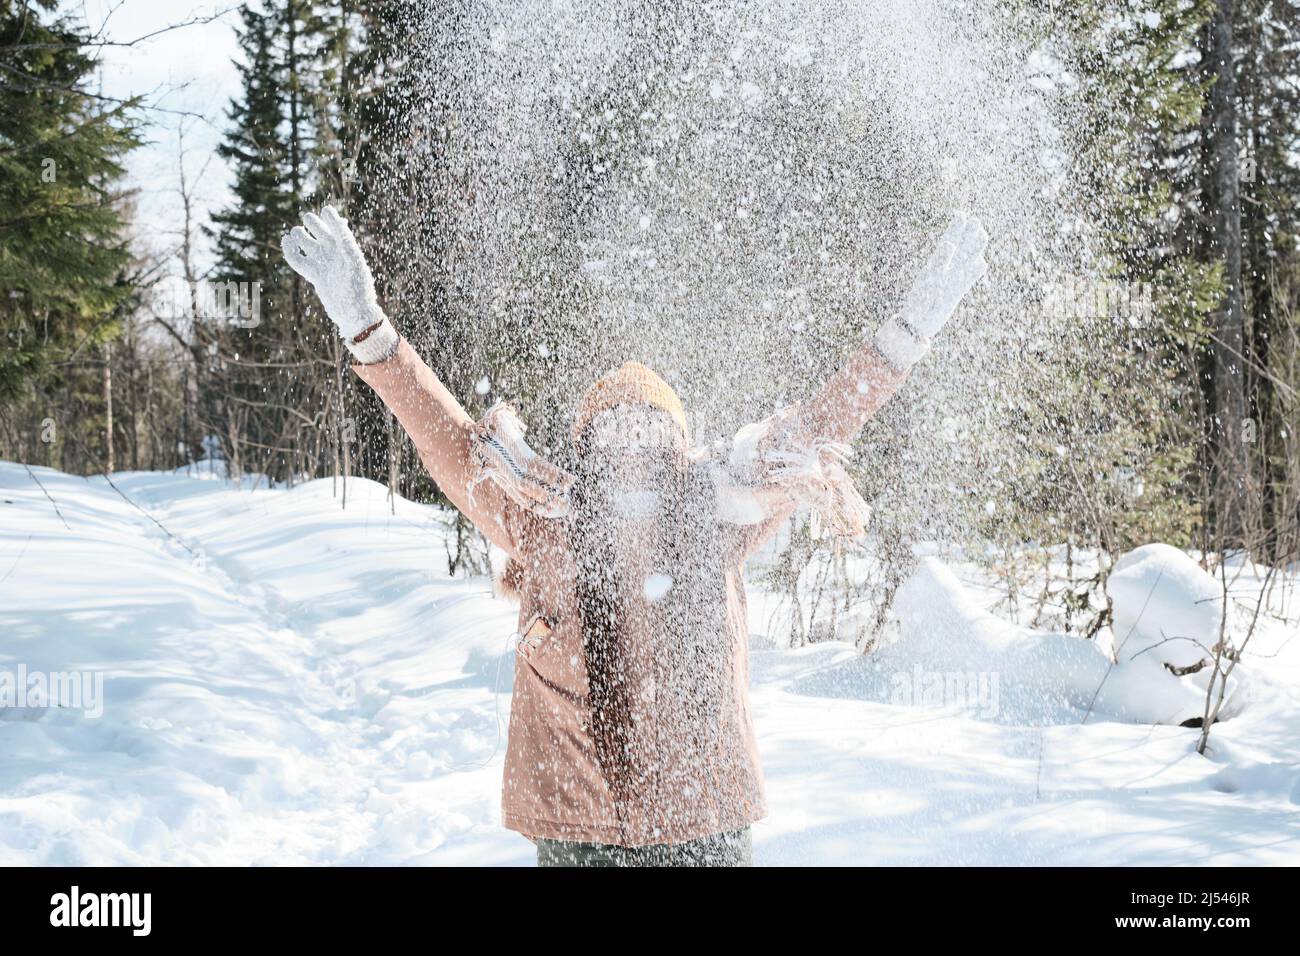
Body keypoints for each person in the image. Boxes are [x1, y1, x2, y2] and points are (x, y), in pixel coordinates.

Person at [281, 206, 988, 867]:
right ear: (587, 447)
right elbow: (452, 445)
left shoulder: (721, 518)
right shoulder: (542, 520)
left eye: (653, 428)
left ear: (680, 447)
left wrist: (910, 330)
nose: (634, 442)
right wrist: (368, 327)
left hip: (705, 824)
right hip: (576, 829)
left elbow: (821, 426)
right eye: (615, 427)